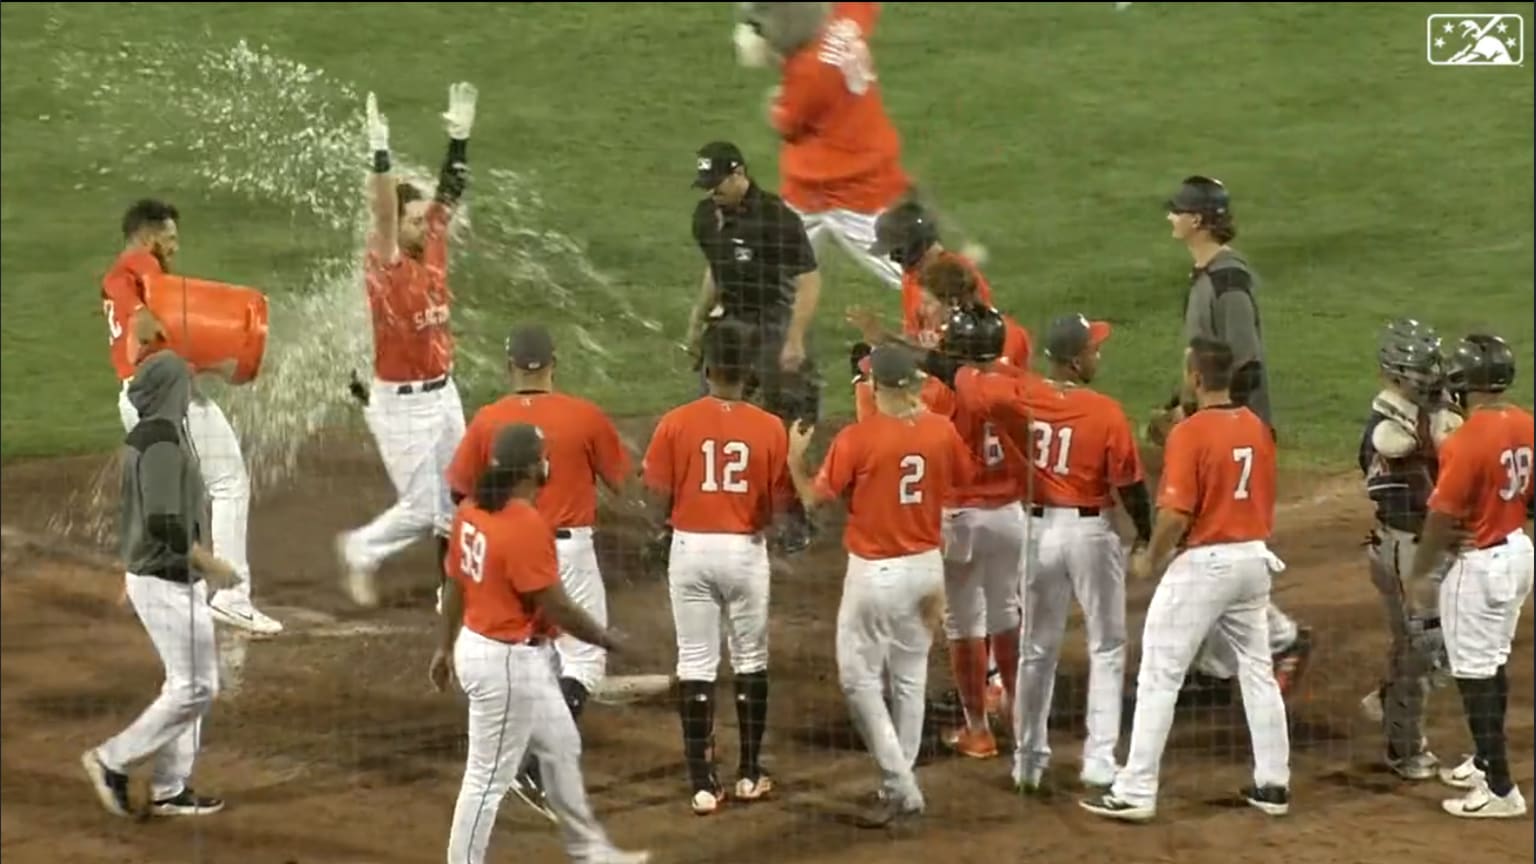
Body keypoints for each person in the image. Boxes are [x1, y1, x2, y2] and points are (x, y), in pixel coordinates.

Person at [1081, 336, 1290, 823]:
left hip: (1206, 566)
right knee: (1257, 671)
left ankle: (1136, 789)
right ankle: (1273, 782)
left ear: (1196, 377)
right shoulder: (1258, 427)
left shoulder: (1190, 433)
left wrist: (1151, 558)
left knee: (1160, 672)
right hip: (1253, 561)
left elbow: (1175, 514)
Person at [434, 423, 649, 864]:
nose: (547, 462)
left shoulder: (472, 509)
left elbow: (454, 582)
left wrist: (444, 646)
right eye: (543, 456)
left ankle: (591, 852)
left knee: (562, 745)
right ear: (532, 468)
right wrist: (606, 640)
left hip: (491, 649)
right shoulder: (524, 525)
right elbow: (558, 608)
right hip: (505, 664)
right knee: (485, 781)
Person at [444, 324, 632, 820]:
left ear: (510, 366)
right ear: (554, 363)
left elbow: (459, 491)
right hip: (567, 551)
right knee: (584, 660)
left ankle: (511, 745)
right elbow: (622, 482)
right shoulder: (584, 415)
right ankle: (531, 766)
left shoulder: (489, 419)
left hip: (505, 551)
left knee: (528, 650)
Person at [785, 345, 975, 829]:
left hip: (876, 575)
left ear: (874, 385)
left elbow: (812, 499)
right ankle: (898, 786)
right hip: (927, 569)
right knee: (909, 679)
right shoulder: (941, 428)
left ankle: (901, 784)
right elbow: (962, 478)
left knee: (858, 679)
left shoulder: (858, 438)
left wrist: (793, 458)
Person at [1151, 174, 1311, 703]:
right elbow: (1206, 359)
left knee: (1215, 545)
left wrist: (1202, 420)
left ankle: (1281, 640)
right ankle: (1220, 665)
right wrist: (1178, 406)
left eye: (1177, 210)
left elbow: (1244, 365)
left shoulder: (1229, 281)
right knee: (1206, 545)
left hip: (1236, 435)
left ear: (1198, 220)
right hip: (1214, 427)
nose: (1170, 217)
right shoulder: (1207, 275)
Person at [102, 198, 280, 636]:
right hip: (164, 400)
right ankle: (233, 598)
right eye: (169, 238)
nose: (174, 247)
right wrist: (143, 314)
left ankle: (146, 580)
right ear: (148, 237)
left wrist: (217, 364)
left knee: (175, 490)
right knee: (228, 482)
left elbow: (162, 345)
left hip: (140, 396)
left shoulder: (141, 280)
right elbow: (122, 289)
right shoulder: (136, 268)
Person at [642, 320, 795, 815]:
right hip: (744, 550)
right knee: (750, 658)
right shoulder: (770, 427)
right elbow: (778, 502)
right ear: (748, 370)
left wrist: (664, 529)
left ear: (707, 369)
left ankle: (703, 785)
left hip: (690, 549)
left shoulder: (675, 422)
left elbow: (657, 494)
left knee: (695, 660)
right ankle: (749, 773)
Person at [81, 351, 239, 818]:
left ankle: (170, 787)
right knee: (195, 687)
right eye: (184, 383)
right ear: (170, 390)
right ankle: (111, 760)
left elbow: (136, 512)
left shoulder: (150, 434)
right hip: (165, 580)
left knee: (192, 684)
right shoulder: (162, 444)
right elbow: (162, 521)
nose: (191, 390)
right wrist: (213, 563)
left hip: (160, 577)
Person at [337, 83, 477, 606]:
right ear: (396, 228)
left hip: (444, 394)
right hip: (402, 406)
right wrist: (380, 154)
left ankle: (450, 592)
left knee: (459, 496)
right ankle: (361, 549)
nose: (427, 224)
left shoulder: (431, 244)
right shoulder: (386, 265)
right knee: (423, 509)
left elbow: (449, 195)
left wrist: (459, 138)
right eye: (414, 220)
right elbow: (381, 211)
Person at [1405, 334, 1533, 819]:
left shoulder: (1466, 440)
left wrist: (1421, 573)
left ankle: (1500, 789)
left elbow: (1441, 516)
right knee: (1493, 664)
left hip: (1480, 566)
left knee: (1475, 675)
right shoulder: (1525, 423)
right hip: (1517, 553)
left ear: (1461, 383)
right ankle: (1483, 761)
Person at [688, 140, 822, 552]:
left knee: (783, 419)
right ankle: (707, 508)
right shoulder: (705, 217)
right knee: (711, 413)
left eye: (718, 183)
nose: (712, 192)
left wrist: (794, 339)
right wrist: (696, 321)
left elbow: (808, 279)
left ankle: (795, 517)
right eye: (707, 184)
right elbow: (716, 269)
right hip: (731, 320)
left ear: (739, 174)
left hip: (772, 319)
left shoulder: (775, 218)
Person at [735, 2, 910, 288]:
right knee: (773, 266)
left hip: (844, 189)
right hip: (815, 185)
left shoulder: (808, 71)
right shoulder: (843, 24)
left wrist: (773, 98)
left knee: (913, 274)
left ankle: (959, 308)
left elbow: (788, 124)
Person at [1357, 319, 1463, 780]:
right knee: (1424, 645)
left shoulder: (1444, 408)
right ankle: (1405, 748)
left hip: (1440, 544)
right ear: (1396, 374)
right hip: (1408, 549)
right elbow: (1398, 501)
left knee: (1456, 643)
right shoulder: (1385, 432)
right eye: (1420, 368)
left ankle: (1391, 697)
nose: (1430, 374)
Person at [850, 201, 996, 352]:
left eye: (897, 252)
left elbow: (978, 346)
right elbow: (915, 338)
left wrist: (889, 340)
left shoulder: (958, 277)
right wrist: (884, 338)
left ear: (914, 246)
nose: (893, 259)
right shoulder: (912, 277)